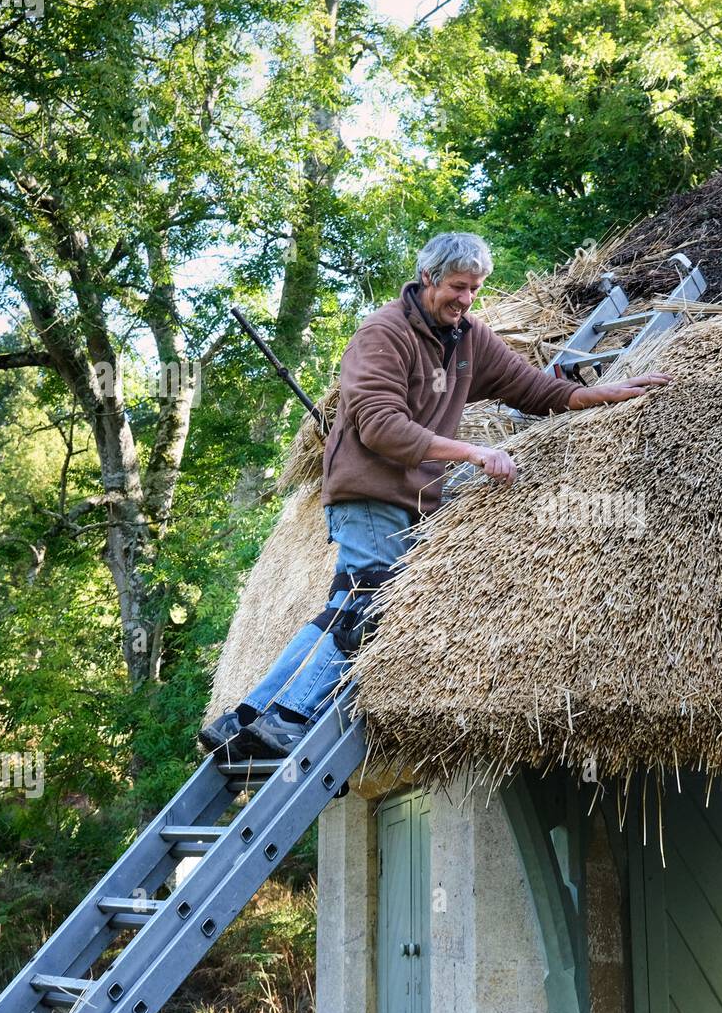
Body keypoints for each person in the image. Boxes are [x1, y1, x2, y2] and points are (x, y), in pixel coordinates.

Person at [199, 231, 670, 761]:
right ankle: (287, 717)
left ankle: (243, 720)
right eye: (457, 287)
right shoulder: (382, 334)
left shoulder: (467, 338)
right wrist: (467, 452)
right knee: (369, 605)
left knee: (344, 605)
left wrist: (596, 393)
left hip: (408, 499)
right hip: (369, 491)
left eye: (474, 289)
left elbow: (534, 389)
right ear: (428, 278)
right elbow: (379, 425)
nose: (466, 300)